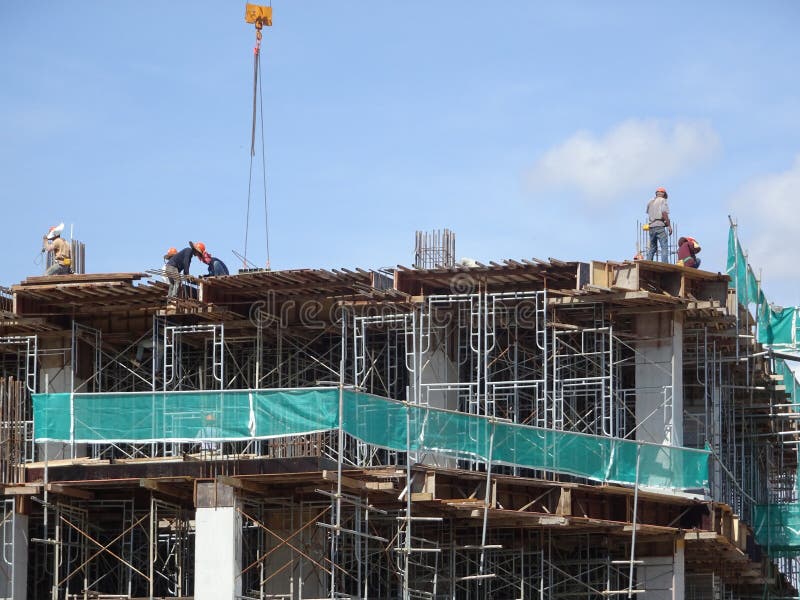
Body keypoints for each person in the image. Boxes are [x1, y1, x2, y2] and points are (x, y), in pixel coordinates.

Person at [645, 187, 672, 263]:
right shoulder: (662, 200)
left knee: (652, 248)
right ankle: (665, 264)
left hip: (651, 227)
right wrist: (669, 225)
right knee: (664, 246)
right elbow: (664, 212)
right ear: (663, 194)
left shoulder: (650, 202)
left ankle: (648, 263)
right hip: (659, 226)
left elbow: (649, 213)